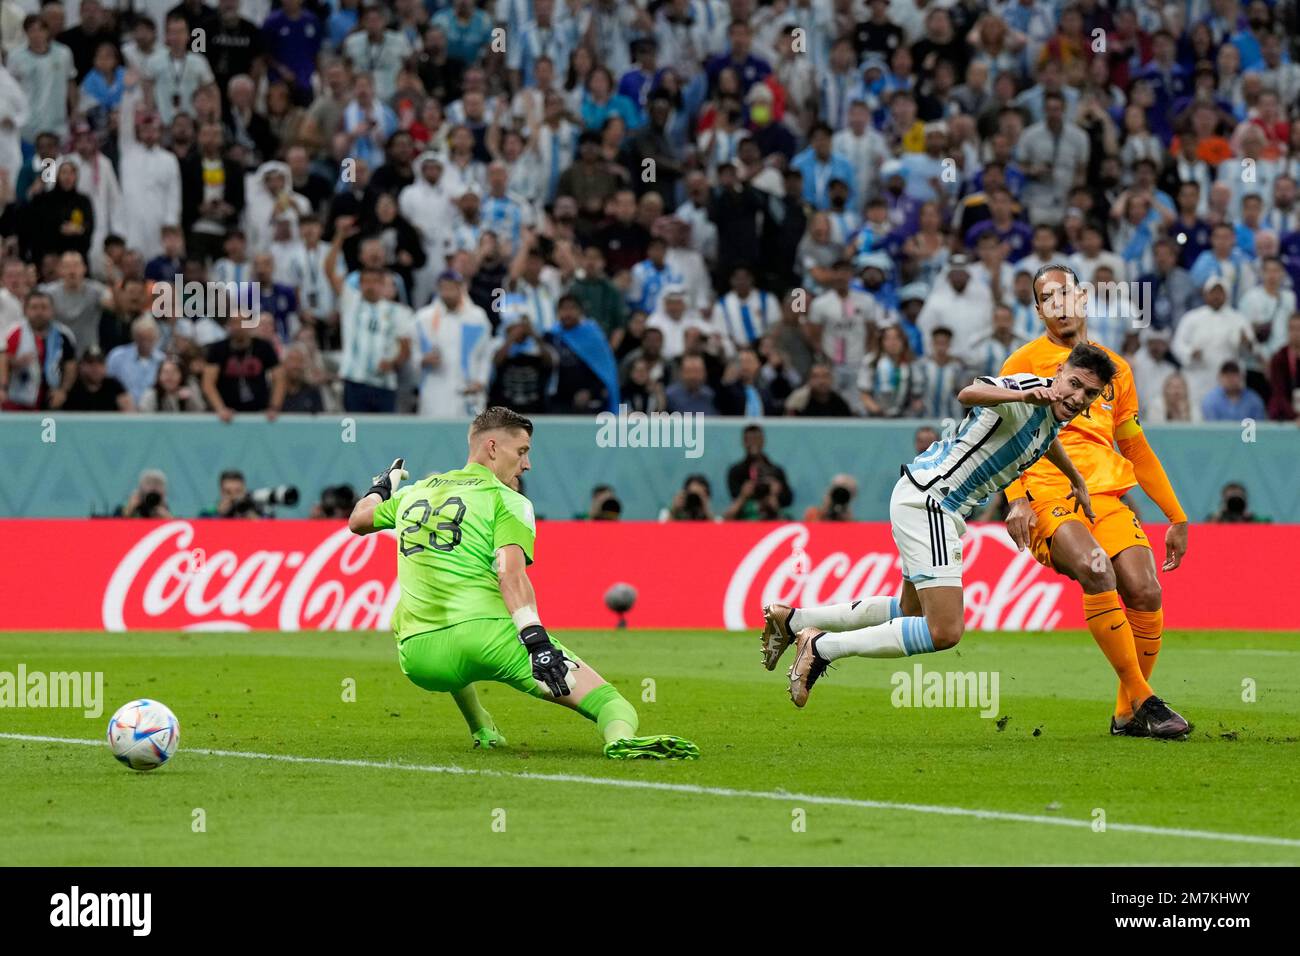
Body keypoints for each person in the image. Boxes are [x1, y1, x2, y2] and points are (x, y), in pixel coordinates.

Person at [765, 344, 1186, 738]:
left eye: (1089, 393)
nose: (1077, 396)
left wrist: (1075, 478)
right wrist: (1024, 396)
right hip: (932, 503)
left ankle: (795, 620)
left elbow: (1045, 440)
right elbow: (970, 393)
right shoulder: (1026, 387)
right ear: (1059, 372)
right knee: (944, 630)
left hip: (927, 499)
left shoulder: (1055, 415)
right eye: (1074, 383)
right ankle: (822, 646)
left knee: (911, 609)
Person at [346, 406, 698, 759]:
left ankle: (482, 727)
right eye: (523, 452)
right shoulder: (507, 500)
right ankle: (620, 738)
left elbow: (358, 520)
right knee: (611, 703)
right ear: (494, 448)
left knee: (421, 617)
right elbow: (510, 576)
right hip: (488, 640)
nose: (526, 464)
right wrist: (536, 642)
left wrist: (380, 487)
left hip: (419, 655)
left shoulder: (415, 492)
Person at [998, 264, 1191, 738]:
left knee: (1145, 589)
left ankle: (1127, 714)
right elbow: (1002, 439)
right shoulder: (1021, 364)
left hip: (1104, 495)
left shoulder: (1115, 369)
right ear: (1039, 311)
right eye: (1049, 299)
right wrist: (1017, 498)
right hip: (1046, 488)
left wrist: (1177, 516)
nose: (1060, 305)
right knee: (1096, 568)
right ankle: (1147, 701)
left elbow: (1135, 447)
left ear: (1083, 298)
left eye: (1067, 294)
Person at [1201, 360, 1266, 421]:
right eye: (1226, 375)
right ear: (1219, 377)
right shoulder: (1210, 400)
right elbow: (1212, 429)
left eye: (1234, 375)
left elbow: (1259, 428)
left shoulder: (1254, 400)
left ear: (1242, 377)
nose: (1230, 379)